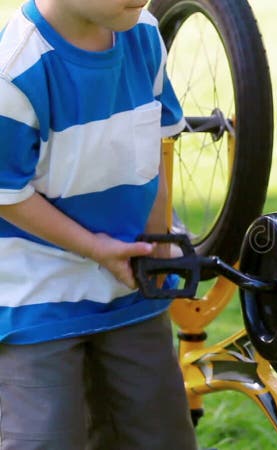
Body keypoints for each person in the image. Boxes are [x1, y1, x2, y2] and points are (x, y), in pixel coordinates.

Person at [0, 0, 196, 448]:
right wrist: (93, 247)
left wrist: (158, 242)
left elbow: (155, 149)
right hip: (36, 296)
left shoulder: (143, 35)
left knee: (161, 437)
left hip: (129, 285)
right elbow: (6, 195)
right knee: (45, 437)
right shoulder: (13, 72)